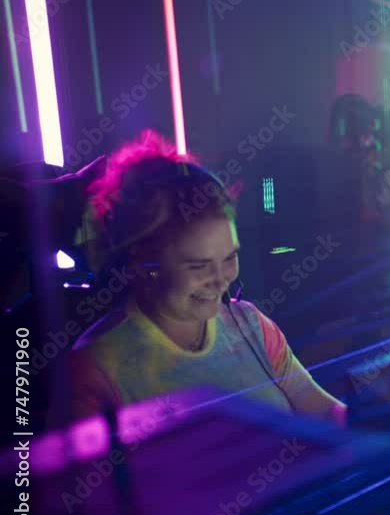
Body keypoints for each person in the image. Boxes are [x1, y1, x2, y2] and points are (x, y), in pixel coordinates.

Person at [54, 131, 346, 427]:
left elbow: (322, 410)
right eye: (198, 266)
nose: (221, 280)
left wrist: (376, 418)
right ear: (143, 263)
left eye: (229, 258)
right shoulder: (96, 370)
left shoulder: (253, 326)